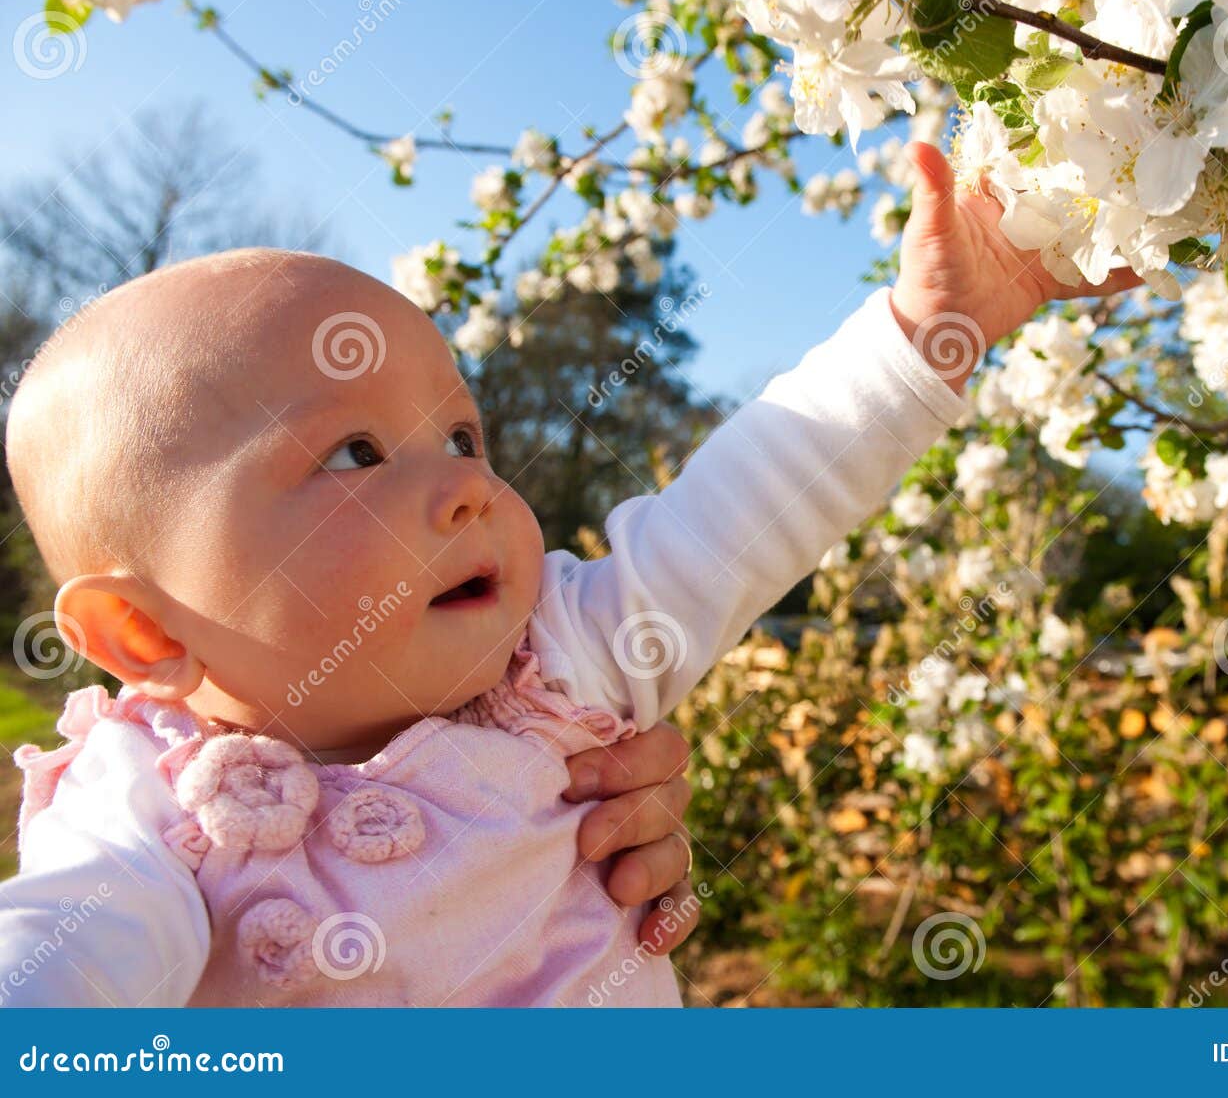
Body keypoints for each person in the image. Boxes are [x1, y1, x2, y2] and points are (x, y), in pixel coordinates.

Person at [0, 142, 1137, 1005]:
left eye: (462, 436)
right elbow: (60, 955)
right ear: (145, 635)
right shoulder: (140, 805)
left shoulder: (561, 663)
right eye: (354, 453)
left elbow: (742, 507)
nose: (464, 489)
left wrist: (934, 326)